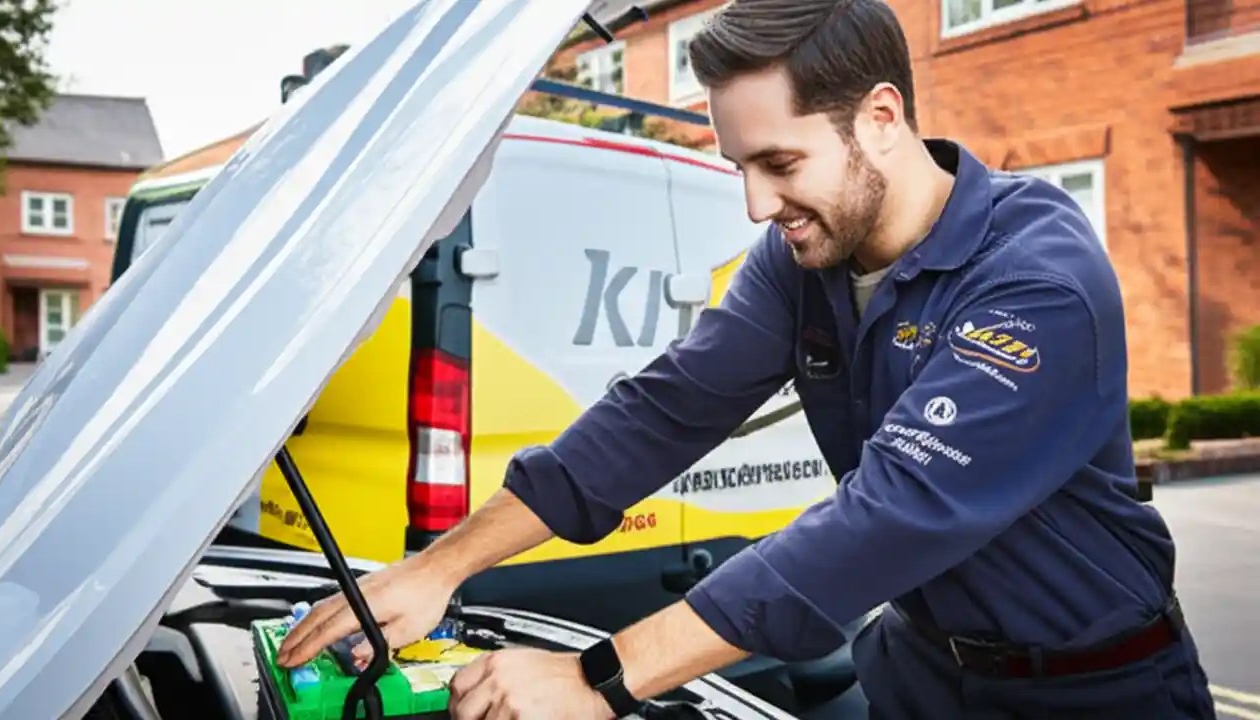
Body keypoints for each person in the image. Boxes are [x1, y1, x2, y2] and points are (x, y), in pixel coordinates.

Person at [278, 0, 1217, 717]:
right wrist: (438, 570)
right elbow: (663, 411)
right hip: (917, 673)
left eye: (779, 163)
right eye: (739, 168)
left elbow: (886, 518)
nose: (758, 206)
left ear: (881, 117)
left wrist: (597, 680)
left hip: (1094, 690)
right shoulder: (802, 259)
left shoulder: (1034, 280)